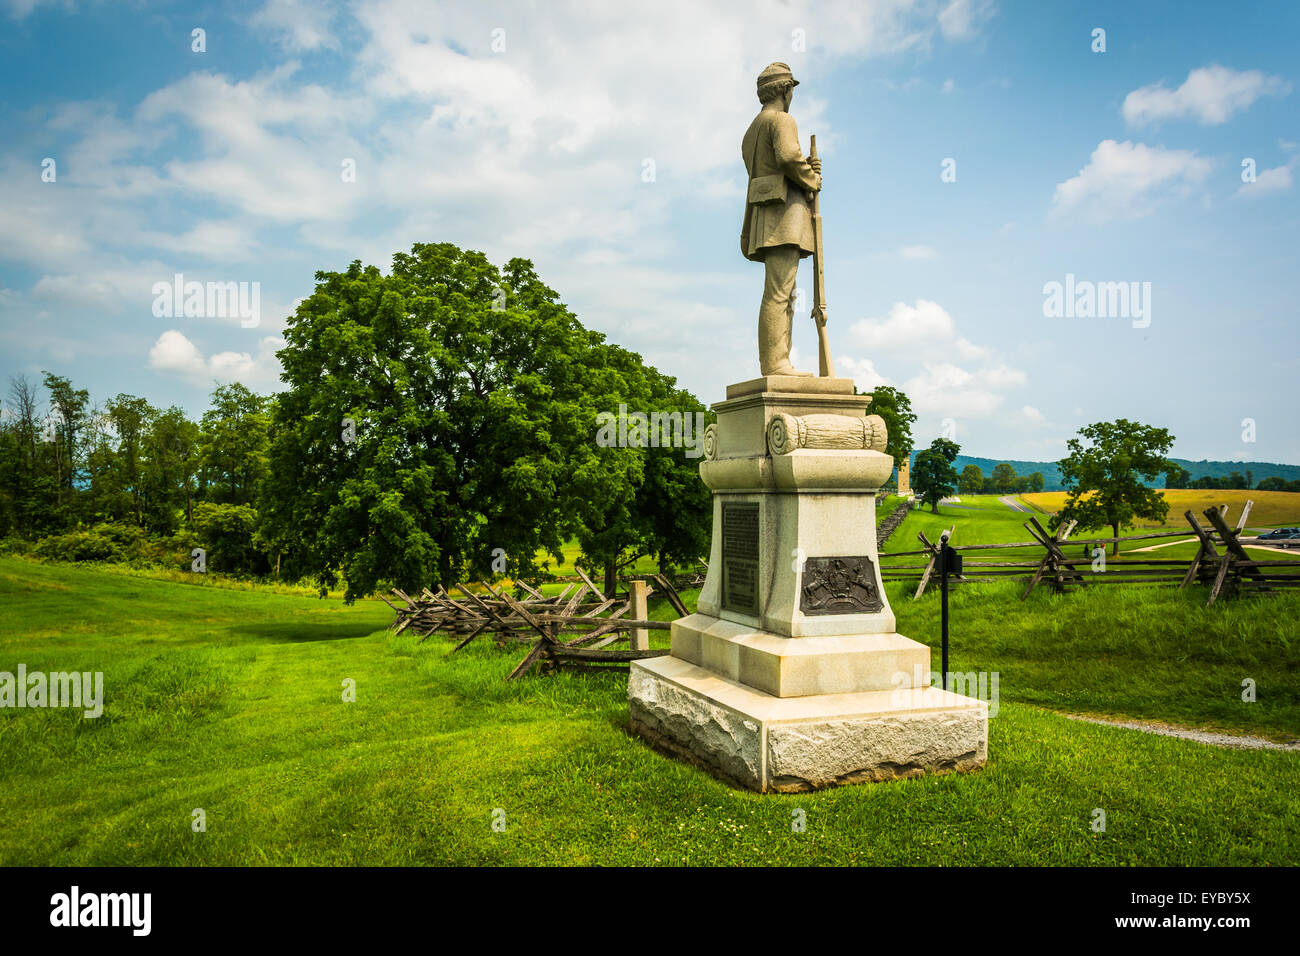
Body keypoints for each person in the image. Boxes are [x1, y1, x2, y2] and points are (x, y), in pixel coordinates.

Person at [740, 62, 822, 376]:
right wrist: (811, 178)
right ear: (786, 91)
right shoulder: (782, 120)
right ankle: (776, 363)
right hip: (785, 215)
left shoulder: (752, 129)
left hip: (765, 213)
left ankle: (778, 361)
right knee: (780, 292)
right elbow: (788, 157)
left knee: (783, 291)